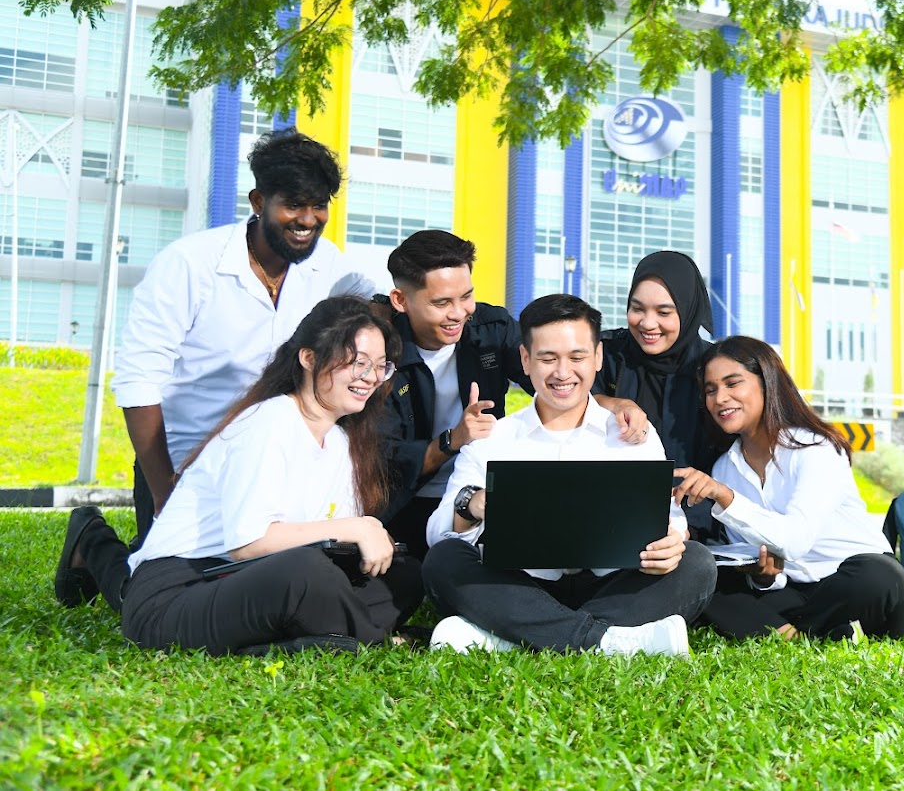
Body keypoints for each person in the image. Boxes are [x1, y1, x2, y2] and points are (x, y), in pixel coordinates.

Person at [65, 297, 425, 656]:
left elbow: (326, 548)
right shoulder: (268, 423)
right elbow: (249, 543)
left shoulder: (340, 442)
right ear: (309, 358)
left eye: (380, 366)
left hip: (249, 584)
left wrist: (364, 541)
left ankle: (314, 638)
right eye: (358, 362)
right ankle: (369, 642)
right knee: (305, 572)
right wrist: (355, 527)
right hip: (178, 591)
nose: (371, 377)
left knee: (403, 574)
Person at [116, 130, 374, 548]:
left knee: (259, 575)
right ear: (258, 202)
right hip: (188, 463)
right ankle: (90, 543)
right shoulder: (188, 264)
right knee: (162, 579)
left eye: (319, 205)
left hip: (274, 464)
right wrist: (164, 490)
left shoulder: (330, 267)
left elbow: (384, 308)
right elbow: (138, 382)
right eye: (293, 205)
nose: (308, 219)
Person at [423, 293, 716, 656]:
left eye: (577, 357)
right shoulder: (493, 436)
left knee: (697, 563)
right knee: (444, 561)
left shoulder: (631, 432)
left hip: (612, 586)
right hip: (522, 586)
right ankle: (605, 641)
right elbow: (438, 534)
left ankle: (513, 638)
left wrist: (672, 541)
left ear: (597, 358)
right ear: (525, 360)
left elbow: (670, 519)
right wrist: (472, 504)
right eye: (548, 359)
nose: (563, 373)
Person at [380, 230, 649, 556]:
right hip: (405, 502)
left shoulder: (491, 329)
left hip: (489, 497)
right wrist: (455, 439)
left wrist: (616, 404)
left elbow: (556, 383)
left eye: (466, 296)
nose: (459, 313)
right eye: (442, 303)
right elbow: (387, 464)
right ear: (400, 300)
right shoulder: (379, 352)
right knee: (440, 561)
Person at [674, 335, 904, 642]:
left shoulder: (816, 448)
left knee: (880, 576)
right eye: (711, 390)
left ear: (767, 383)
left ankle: (783, 630)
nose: (720, 398)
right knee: (706, 577)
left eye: (732, 383)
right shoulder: (725, 467)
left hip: (850, 580)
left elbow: (795, 540)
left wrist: (726, 497)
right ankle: (813, 633)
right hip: (795, 591)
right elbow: (761, 560)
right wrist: (764, 577)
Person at [598, 251, 723, 539]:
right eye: (637, 308)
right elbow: (571, 397)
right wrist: (615, 403)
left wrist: (684, 530)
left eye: (664, 312)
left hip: (696, 525)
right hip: (611, 519)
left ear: (687, 311)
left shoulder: (713, 368)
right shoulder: (607, 354)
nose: (647, 323)